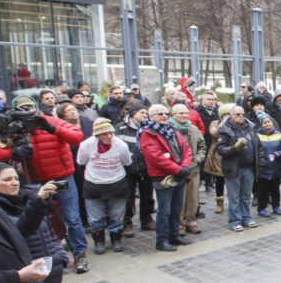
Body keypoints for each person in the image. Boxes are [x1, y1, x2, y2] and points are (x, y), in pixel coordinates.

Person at [0, 95, 89, 274]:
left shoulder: (50, 121)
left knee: (72, 218)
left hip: (61, 177)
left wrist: (50, 127)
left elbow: (76, 137)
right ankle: (51, 256)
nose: (26, 112)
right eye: (22, 108)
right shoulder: (13, 128)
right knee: (39, 219)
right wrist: (13, 152)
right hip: (34, 181)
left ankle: (79, 253)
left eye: (29, 107)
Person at [0, 162, 67, 283]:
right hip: (27, 276)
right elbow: (20, 231)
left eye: (16, 179)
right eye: (7, 180)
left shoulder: (28, 199)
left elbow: (51, 232)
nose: (14, 183)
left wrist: (60, 257)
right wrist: (38, 202)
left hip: (51, 271)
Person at [138, 104, 193, 252]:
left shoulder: (173, 130)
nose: (163, 116)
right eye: (159, 114)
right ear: (151, 117)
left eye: (165, 113)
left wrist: (184, 166)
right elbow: (155, 158)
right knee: (164, 210)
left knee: (176, 208)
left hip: (179, 174)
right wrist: (178, 169)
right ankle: (162, 240)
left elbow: (186, 149)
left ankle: (174, 235)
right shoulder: (147, 133)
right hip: (162, 177)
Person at [75, 117, 132, 254]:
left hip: (116, 182)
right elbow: (81, 162)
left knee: (117, 214)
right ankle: (99, 241)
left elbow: (127, 162)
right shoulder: (86, 145)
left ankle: (116, 239)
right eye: (105, 134)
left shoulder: (121, 145)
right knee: (96, 217)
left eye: (111, 133)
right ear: (97, 135)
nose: (109, 136)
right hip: (94, 184)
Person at [216, 104, 260, 232]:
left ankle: (246, 217)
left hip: (249, 167)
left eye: (242, 114)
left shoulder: (250, 127)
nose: (241, 117)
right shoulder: (224, 129)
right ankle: (235, 220)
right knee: (234, 196)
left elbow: (258, 146)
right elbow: (220, 149)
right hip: (233, 168)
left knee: (246, 195)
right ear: (231, 115)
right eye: (237, 114)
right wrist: (234, 148)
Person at [116, 103, 154, 236]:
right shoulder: (121, 127)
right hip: (128, 169)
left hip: (146, 167)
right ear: (133, 114)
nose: (144, 115)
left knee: (148, 195)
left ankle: (147, 218)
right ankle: (127, 222)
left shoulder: (149, 127)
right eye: (141, 113)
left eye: (146, 113)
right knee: (128, 197)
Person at [170, 103, 206, 234]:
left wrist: (198, 159)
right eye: (181, 113)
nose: (184, 115)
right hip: (177, 170)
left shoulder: (193, 129)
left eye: (186, 113)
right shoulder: (169, 129)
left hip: (193, 169)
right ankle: (179, 225)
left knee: (193, 198)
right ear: (173, 115)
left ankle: (191, 222)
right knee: (179, 199)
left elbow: (202, 146)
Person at [253, 113, 281, 217]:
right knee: (262, 190)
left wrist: (279, 154)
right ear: (261, 124)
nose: (267, 124)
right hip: (263, 169)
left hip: (276, 169)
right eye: (264, 122)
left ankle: (276, 206)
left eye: (269, 121)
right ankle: (262, 208)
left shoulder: (280, 136)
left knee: (275, 190)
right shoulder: (256, 135)